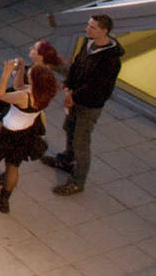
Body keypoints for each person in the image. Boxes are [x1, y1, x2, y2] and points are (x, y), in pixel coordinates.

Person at [0, 41, 63, 216]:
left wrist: (6, 74)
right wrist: (21, 69)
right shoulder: (44, 94)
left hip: (7, 134)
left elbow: (2, 95)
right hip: (25, 135)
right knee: (13, 166)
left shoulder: (24, 96)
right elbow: (19, 86)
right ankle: (3, 200)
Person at [47, 14, 124, 196]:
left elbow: (98, 86)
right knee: (69, 128)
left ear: (104, 31)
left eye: (92, 27)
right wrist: (67, 85)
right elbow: (76, 66)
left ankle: (77, 182)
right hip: (75, 98)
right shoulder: (88, 43)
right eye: (88, 25)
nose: (87, 29)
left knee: (81, 142)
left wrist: (73, 95)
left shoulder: (111, 60)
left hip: (89, 106)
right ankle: (66, 160)